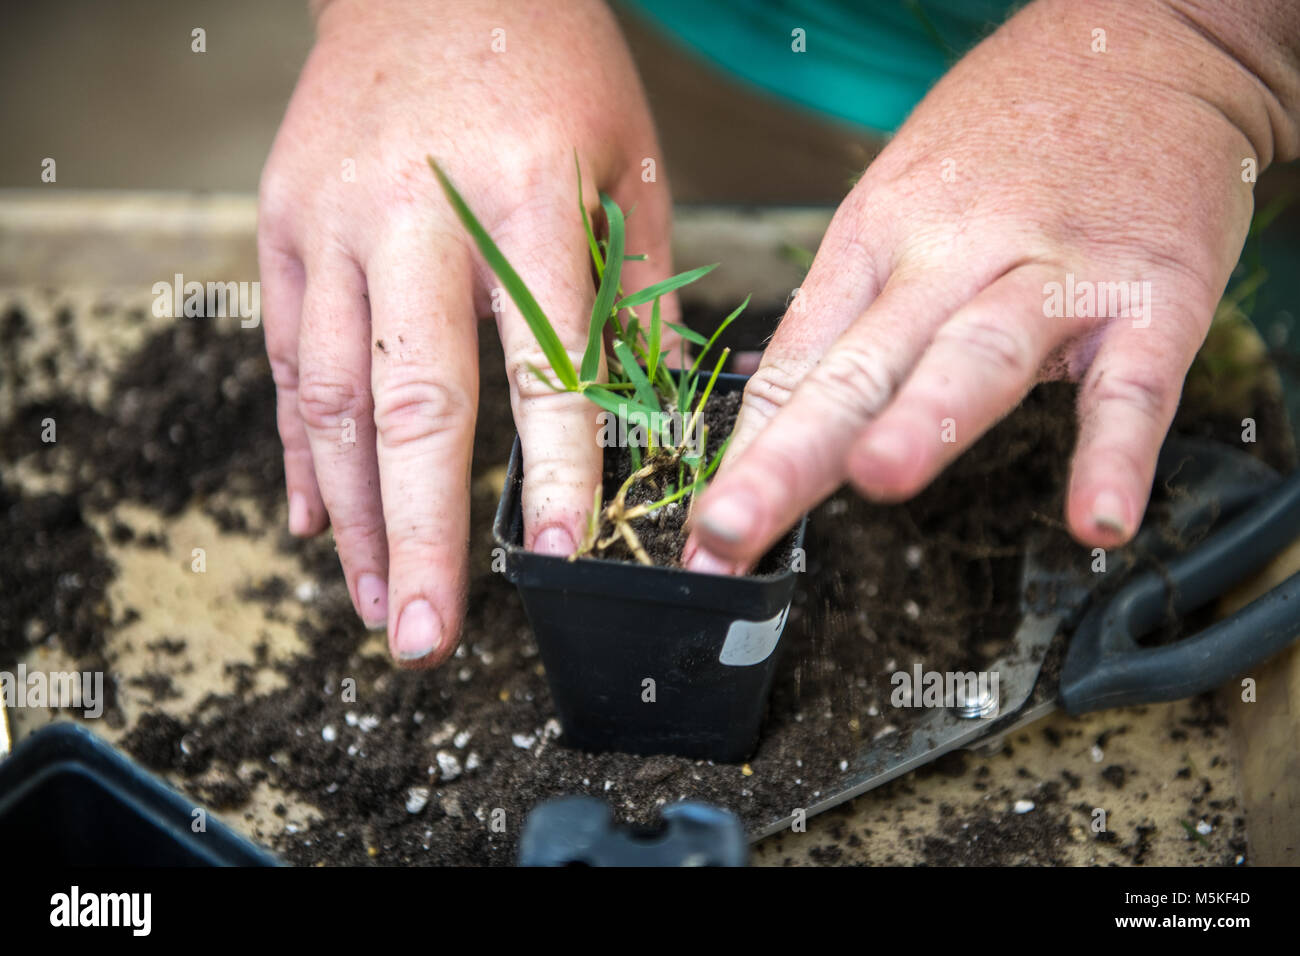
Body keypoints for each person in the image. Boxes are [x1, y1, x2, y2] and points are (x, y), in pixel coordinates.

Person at [257, 0, 1300, 667]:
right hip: (683, 46)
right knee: (632, 245)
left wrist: (1209, 46)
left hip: (1181, 141)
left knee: (1188, 353)